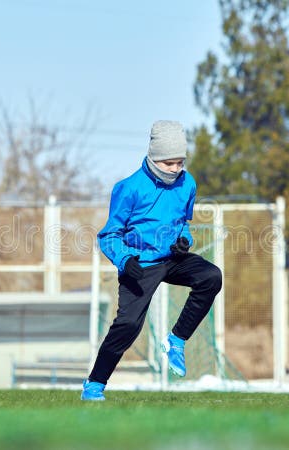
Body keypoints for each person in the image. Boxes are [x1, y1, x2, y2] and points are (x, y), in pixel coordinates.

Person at [81, 120, 222, 401]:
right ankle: (94, 384)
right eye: (169, 163)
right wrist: (125, 260)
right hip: (140, 264)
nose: (176, 169)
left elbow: (183, 224)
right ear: (154, 158)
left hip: (172, 258)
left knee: (211, 276)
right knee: (128, 326)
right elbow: (108, 235)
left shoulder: (188, 183)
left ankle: (177, 340)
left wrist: (184, 242)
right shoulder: (129, 188)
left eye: (180, 162)